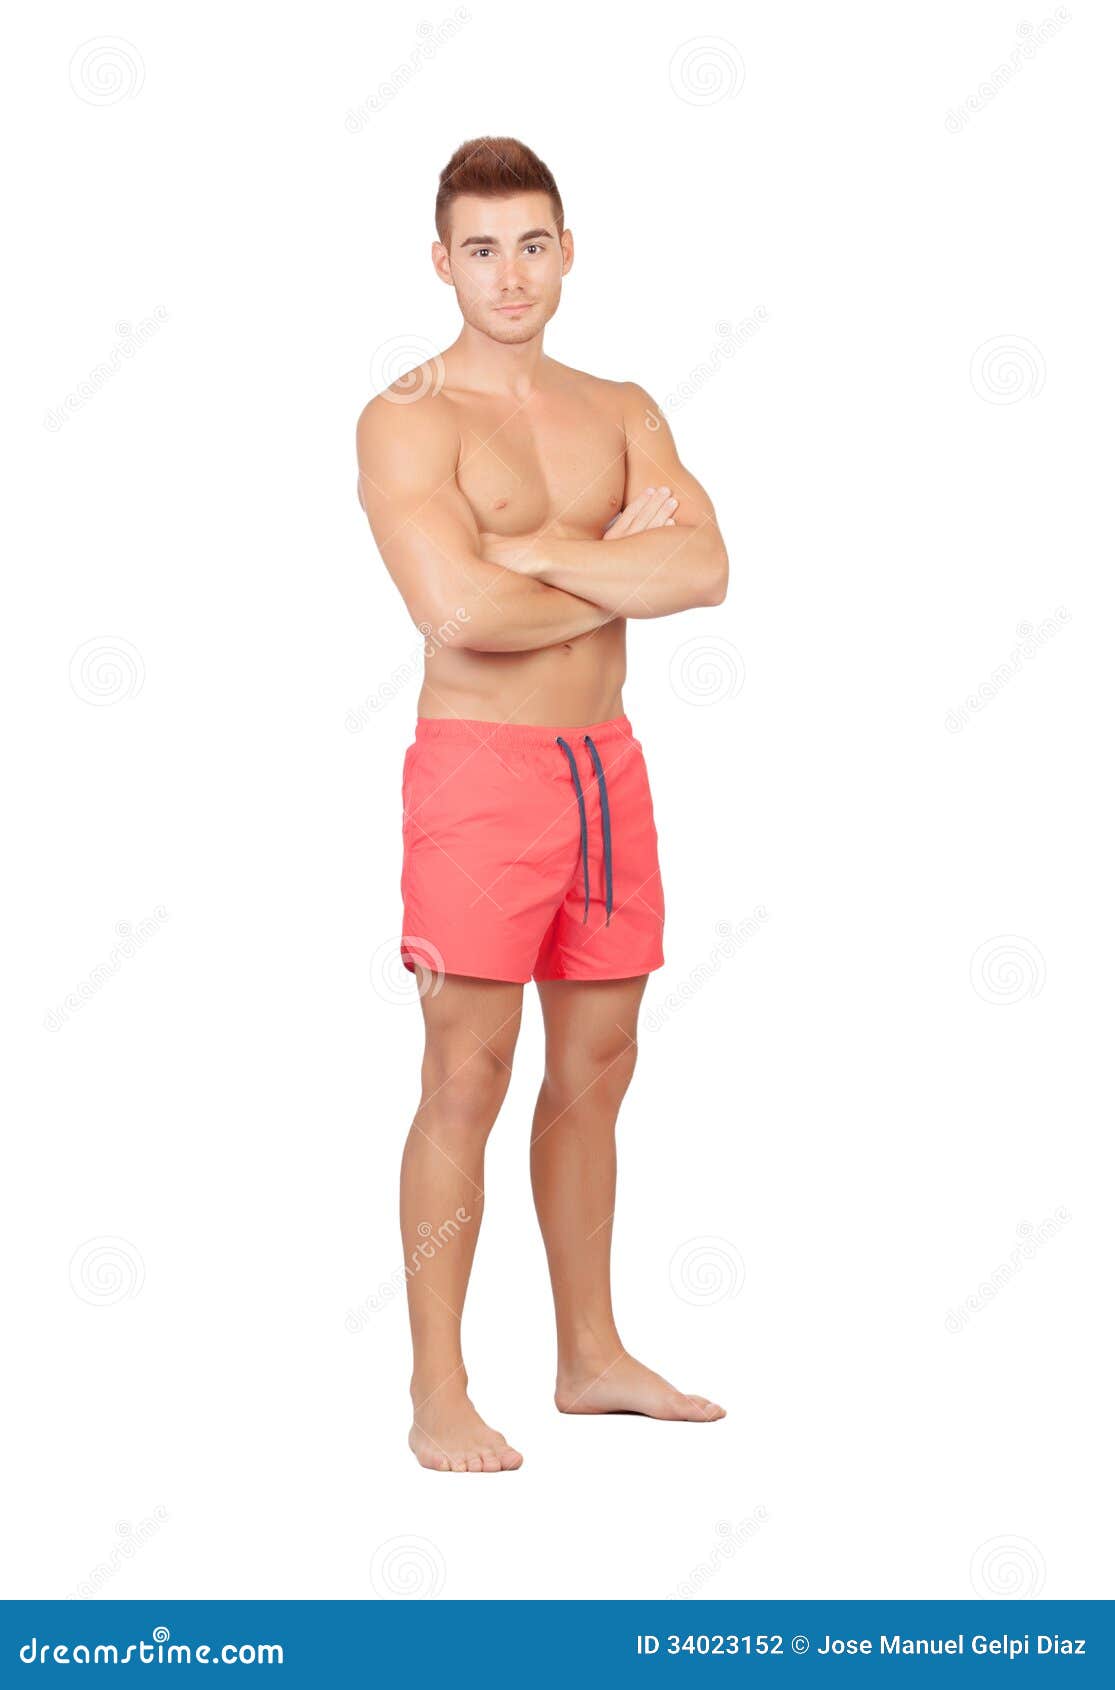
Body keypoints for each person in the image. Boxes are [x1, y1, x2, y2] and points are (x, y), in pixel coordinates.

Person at [356, 136, 730, 1473]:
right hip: (479, 772)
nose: (508, 273)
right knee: (466, 1071)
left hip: (606, 768)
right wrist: (598, 563)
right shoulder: (409, 415)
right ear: (440, 260)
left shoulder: (621, 405)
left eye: (531, 244)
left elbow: (704, 567)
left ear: (567, 250)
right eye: (480, 247)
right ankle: (438, 1387)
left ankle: (588, 1353)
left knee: (599, 1070)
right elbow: (455, 607)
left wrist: (531, 547)